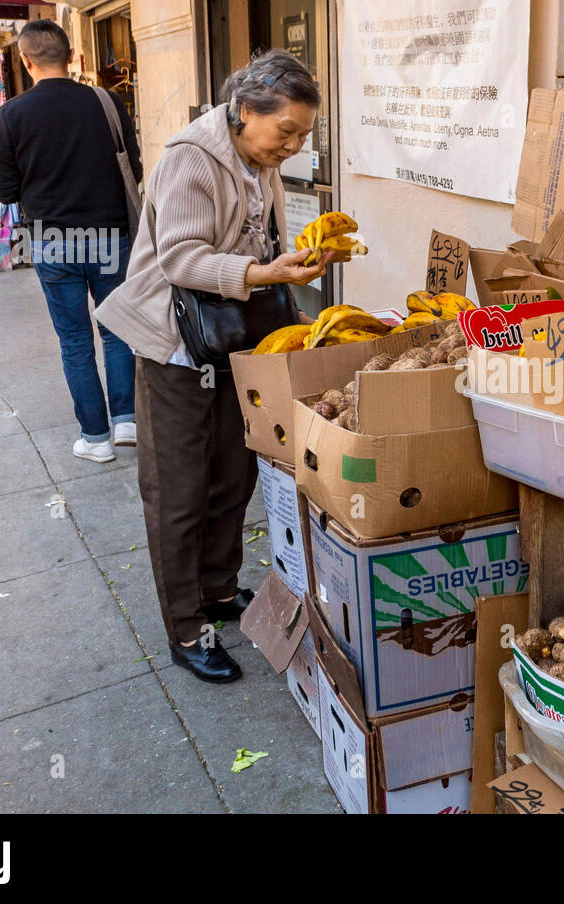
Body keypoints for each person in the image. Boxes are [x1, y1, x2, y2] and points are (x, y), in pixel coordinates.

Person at [95, 50, 326, 684]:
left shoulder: (258, 161)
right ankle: (185, 628)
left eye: (304, 135)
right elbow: (181, 260)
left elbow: (255, 240)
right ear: (244, 110)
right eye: (287, 132)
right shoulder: (188, 161)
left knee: (232, 475)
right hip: (175, 344)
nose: (294, 146)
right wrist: (260, 273)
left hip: (232, 342)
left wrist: (288, 261)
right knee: (179, 493)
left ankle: (219, 592)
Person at [0, 19, 142, 463]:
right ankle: (127, 420)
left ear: (26, 60)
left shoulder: (12, 115)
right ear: (72, 56)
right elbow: (131, 165)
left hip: (53, 240)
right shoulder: (107, 102)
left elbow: (4, 189)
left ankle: (95, 440)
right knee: (116, 331)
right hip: (111, 235)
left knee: (75, 340)